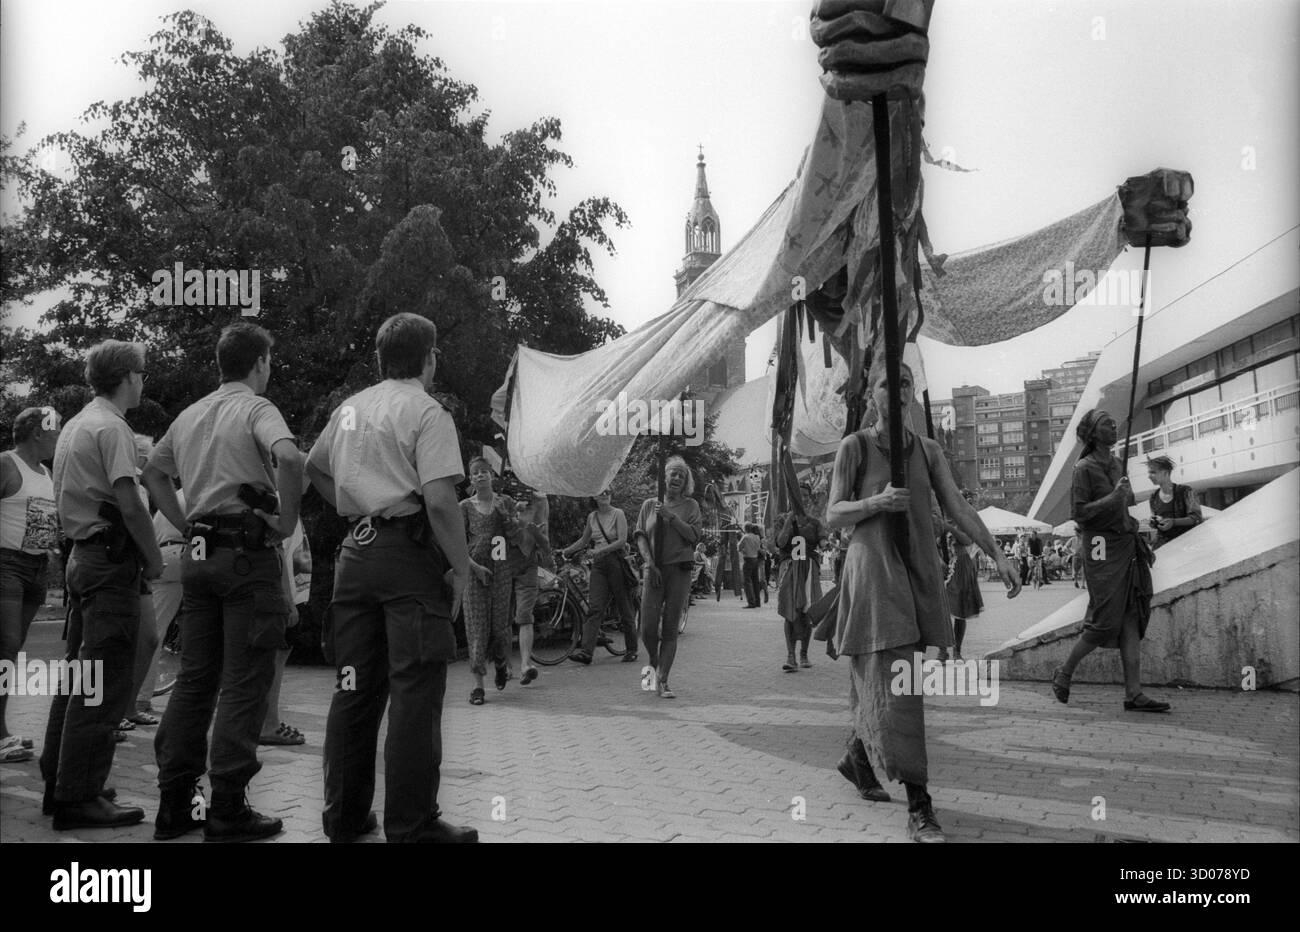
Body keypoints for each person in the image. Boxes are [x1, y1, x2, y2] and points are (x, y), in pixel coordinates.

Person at [827, 359, 1019, 843]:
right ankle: (920, 805)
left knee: (898, 679)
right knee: (901, 685)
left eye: (905, 383)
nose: (897, 391)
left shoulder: (928, 451)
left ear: (913, 394)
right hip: (873, 570)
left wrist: (998, 554)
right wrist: (873, 504)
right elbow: (832, 513)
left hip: (918, 570)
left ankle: (857, 753)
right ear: (872, 395)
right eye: (887, 384)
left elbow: (956, 505)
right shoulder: (855, 447)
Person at [306, 312, 477, 844]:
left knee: (353, 688)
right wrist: (464, 568)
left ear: (381, 360)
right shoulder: (427, 412)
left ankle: (344, 817)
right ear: (428, 359)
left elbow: (312, 464)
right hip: (408, 558)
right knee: (415, 689)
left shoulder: (351, 408)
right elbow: (441, 501)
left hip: (356, 554)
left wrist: (355, 508)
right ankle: (412, 823)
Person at [144, 322, 304, 842]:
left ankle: (175, 804)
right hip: (243, 555)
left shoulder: (190, 414)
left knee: (195, 678)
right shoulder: (257, 408)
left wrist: (183, 516)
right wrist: (282, 522)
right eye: (270, 361)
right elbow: (290, 457)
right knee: (243, 681)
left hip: (198, 554)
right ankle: (227, 807)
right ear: (258, 363)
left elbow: (153, 471)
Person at [41, 341, 163, 830]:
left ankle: (62, 782)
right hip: (110, 560)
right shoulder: (113, 427)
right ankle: (80, 796)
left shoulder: (76, 423)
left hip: (82, 557)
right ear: (128, 376)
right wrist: (153, 560)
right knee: (105, 683)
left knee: (78, 678)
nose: (144, 381)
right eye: (142, 374)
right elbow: (129, 502)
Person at [1051, 410, 1168, 713]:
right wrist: (1114, 497)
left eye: (1113, 422)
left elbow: (1123, 507)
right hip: (1100, 546)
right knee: (1105, 619)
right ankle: (1065, 672)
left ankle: (1134, 694)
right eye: (1106, 423)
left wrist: (1131, 511)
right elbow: (1079, 513)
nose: (1113, 426)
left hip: (1125, 543)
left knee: (1131, 616)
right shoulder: (1083, 468)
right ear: (1092, 433)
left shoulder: (1118, 464)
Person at [1, 406, 61, 762]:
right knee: (5, 647)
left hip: (36, 569)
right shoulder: (6, 465)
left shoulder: (47, 472)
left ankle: (3, 730)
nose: (58, 437)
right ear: (38, 432)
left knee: (10, 652)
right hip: (6, 566)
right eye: (55, 430)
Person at [634, 455, 702, 699]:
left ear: (686, 483)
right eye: (673, 473)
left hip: (679, 571)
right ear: (664, 477)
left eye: (681, 476)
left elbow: (694, 536)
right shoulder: (649, 504)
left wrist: (671, 518)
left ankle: (662, 680)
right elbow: (640, 535)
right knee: (647, 628)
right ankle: (652, 659)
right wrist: (649, 564)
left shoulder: (690, 506)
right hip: (654, 570)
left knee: (670, 628)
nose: (676, 478)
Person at [561, 489, 638, 666]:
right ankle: (586, 652)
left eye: (608, 492)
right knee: (594, 607)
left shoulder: (618, 514)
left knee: (624, 606)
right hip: (599, 566)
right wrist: (566, 550)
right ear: (594, 496)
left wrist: (599, 551)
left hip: (616, 562)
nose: (605, 494)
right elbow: (583, 540)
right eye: (601, 492)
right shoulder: (592, 517)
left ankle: (632, 649)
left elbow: (621, 540)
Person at [132, 484, 187, 723]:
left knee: (157, 628)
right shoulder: (201, 491)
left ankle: (141, 696)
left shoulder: (173, 495)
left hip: (165, 554)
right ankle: (139, 699)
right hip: (188, 553)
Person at [258, 518, 308, 746]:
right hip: (282, 598)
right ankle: (268, 723)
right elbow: (276, 551)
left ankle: (268, 721)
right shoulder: (281, 504)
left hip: (291, 595)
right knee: (274, 661)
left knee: (276, 660)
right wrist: (287, 599)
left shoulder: (290, 508)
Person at [507, 492, 551, 684]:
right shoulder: (505, 500)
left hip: (528, 566)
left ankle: (526, 665)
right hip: (504, 565)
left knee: (524, 615)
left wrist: (536, 534)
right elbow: (494, 534)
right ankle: (506, 666)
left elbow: (546, 546)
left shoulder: (540, 503)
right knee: (503, 618)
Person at [775, 509, 823, 671]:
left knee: (806, 611)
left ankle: (804, 654)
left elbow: (823, 542)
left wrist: (828, 542)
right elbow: (780, 542)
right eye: (798, 495)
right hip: (789, 567)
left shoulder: (814, 522)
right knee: (790, 610)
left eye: (805, 496)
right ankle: (790, 656)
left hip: (809, 568)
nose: (801, 500)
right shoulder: (782, 519)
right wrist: (789, 520)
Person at [934, 511, 983, 663]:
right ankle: (942, 650)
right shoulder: (935, 522)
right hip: (942, 567)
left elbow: (968, 540)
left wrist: (950, 527)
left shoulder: (963, 522)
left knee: (960, 610)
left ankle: (957, 650)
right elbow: (929, 544)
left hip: (961, 568)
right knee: (942, 611)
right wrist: (938, 560)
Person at [1146, 455, 1203, 549]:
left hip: (1186, 546)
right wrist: (1153, 522)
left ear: (1165, 473)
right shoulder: (1153, 497)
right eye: (1149, 473)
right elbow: (1155, 519)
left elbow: (1196, 518)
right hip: (1164, 547)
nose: (1149, 476)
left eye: (1153, 472)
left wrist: (1173, 522)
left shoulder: (1186, 491)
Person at [739, 523, 762, 608]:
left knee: (747, 581)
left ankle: (751, 602)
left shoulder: (745, 537)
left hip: (748, 559)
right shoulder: (757, 537)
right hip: (755, 559)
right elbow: (758, 548)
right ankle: (757, 602)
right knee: (755, 581)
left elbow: (739, 547)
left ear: (745, 529)